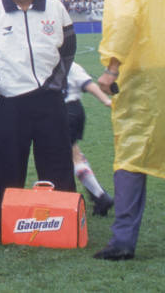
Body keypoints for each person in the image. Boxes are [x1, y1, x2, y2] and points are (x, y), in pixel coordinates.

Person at [0, 0, 77, 222]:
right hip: (11, 102)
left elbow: (68, 48)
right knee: (7, 163)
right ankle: (3, 217)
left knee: (57, 160)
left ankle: (63, 216)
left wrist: (55, 82)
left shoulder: (55, 6)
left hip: (49, 99)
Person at [94, 0, 165, 261]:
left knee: (130, 154)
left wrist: (112, 69)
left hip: (141, 76)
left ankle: (123, 240)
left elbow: (125, 20)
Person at [65, 61, 114, 216]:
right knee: (74, 154)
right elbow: (87, 83)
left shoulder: (54, 63)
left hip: (64, 112)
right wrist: (105, 100)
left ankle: (100, 196)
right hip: (75, 111)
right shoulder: (71, 64)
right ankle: (98, 196)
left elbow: (89, 84)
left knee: (72, 158)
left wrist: (106, 100)